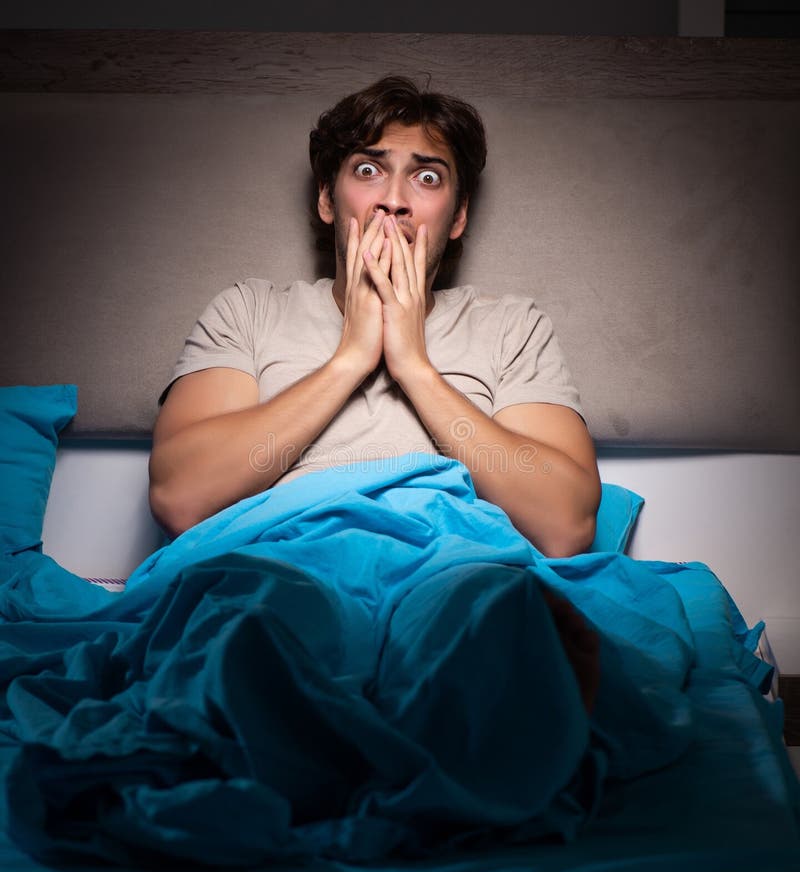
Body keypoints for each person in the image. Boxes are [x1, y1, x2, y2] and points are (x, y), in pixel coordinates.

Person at [148, 75, 601, 558]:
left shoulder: (512, 328)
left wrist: (415, 369)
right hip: (286, 568)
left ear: (458, 216)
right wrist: (350, 360)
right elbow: (181, 497)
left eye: (427, 177)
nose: (394, 199)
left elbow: (565, 527)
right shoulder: (248, 311)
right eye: (368, 170)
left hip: (454, 572)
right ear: (327, 199)